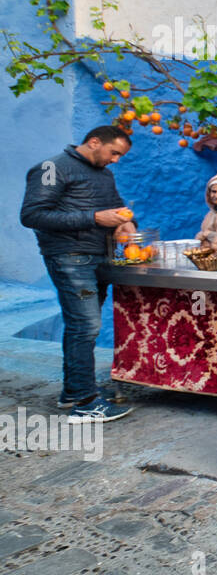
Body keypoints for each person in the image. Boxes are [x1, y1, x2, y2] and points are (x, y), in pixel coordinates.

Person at [20, 125, 136, 422]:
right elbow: (32, 215)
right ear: (94, 142)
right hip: (69, 257)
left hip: (98, 257)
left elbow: (116, 208)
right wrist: (94, 217)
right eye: (114, 153)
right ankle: (85, 403)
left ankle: (74, 392)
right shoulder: (50, 168)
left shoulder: (104, 174)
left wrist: (124, 224)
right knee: (86, 326)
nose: (116, 160)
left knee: (80, 327)